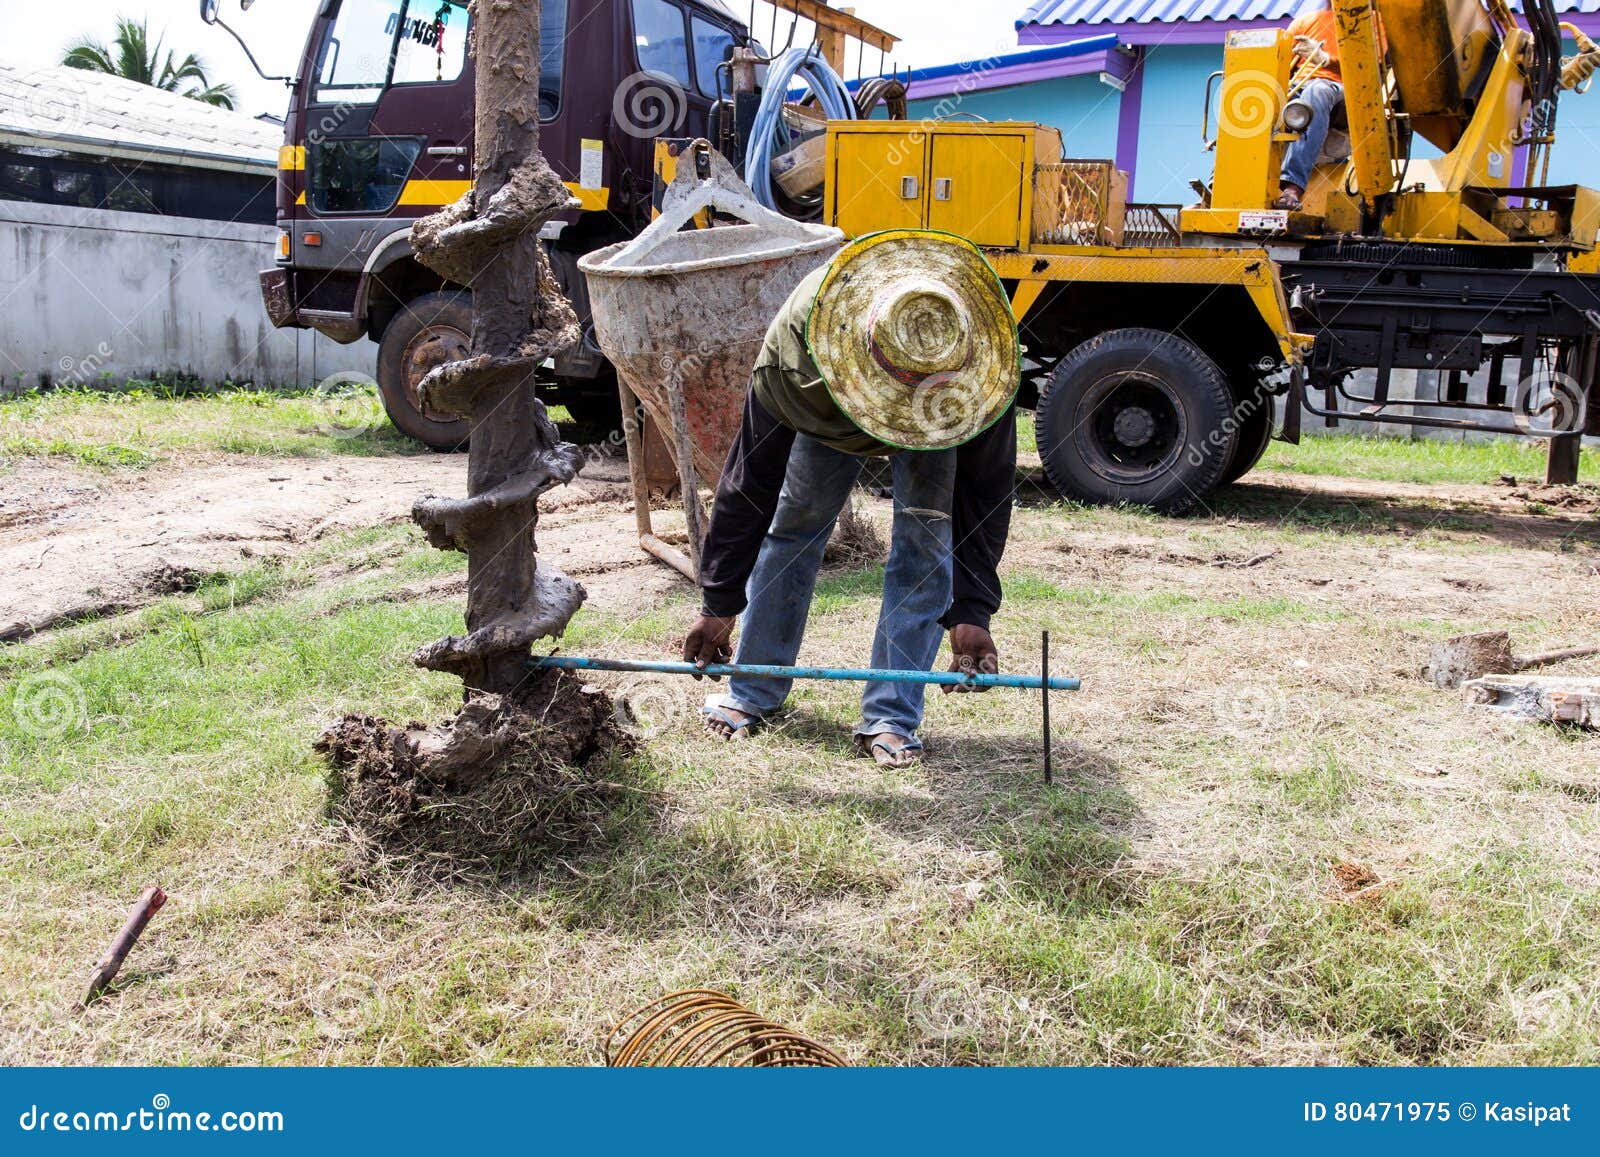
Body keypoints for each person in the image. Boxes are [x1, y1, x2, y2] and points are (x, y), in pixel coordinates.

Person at [681, 229, 1019, 768]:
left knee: (923, 543)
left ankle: (891, 715)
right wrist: (719, 603)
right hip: (830, 401)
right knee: (796, 523)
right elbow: (751, 486)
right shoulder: (796, 360)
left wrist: (972, 607)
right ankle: (753, 689)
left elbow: (984, 496)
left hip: (940, 413)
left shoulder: (982, 377)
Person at [1275, 0, 1345, 211]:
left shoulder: (1368, 23)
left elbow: (1371, 69)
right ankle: (1221, 184)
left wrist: (1326, 59)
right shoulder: (1305, 21)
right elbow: (1282, 64)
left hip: (1341, 89)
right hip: (1300, 86)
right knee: (1255, 93)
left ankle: (1293, 185)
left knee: (1317, 91)